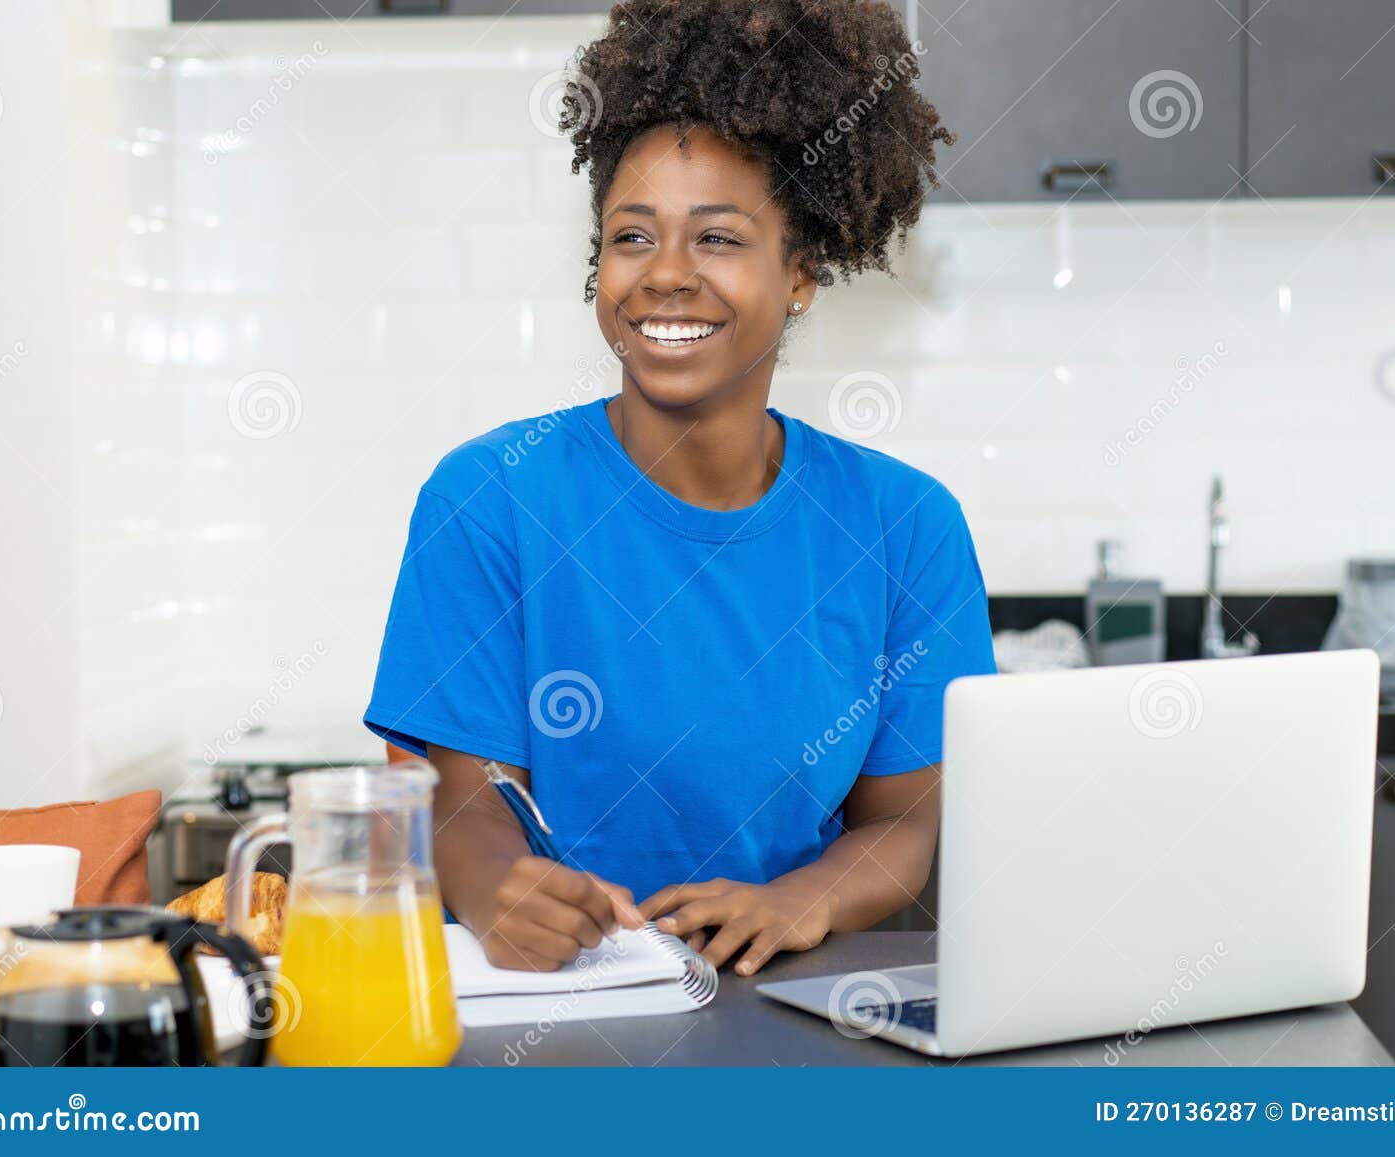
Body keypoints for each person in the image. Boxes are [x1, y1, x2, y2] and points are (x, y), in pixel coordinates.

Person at [365, 0, 996, 977]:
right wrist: (499, 893)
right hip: (558, 1010)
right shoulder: (491, 497)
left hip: (792, 1012)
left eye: (717, 239)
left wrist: (798, 898)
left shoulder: (906, 526)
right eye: (631, 237)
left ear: (802, 273)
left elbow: (904, 821)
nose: (664, 275)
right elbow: (458, 799)